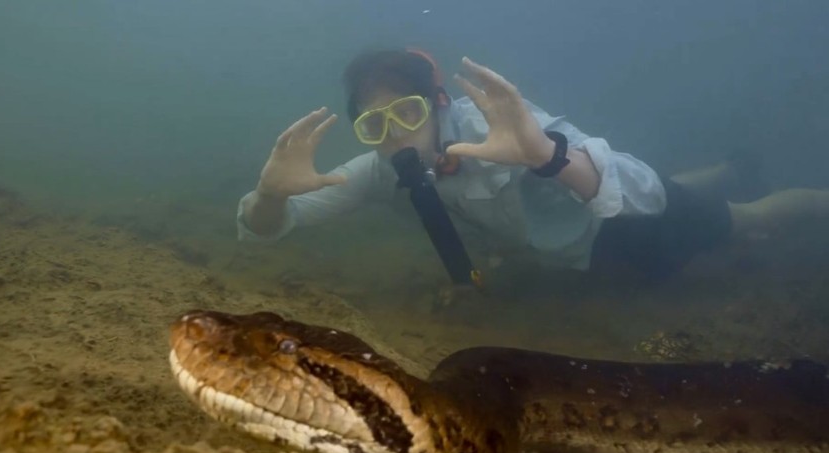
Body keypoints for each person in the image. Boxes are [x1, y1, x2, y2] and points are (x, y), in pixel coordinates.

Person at [236, 48, 829, 284]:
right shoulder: (381, 169)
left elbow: (626, 190)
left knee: (747, 221)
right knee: (685, 190)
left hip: (629, 225)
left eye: (407, 111)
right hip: (574, 258)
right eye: (373, 124)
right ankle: (727, 164)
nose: (394, 136)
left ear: (440, 104)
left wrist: (544, 156)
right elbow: (267, 229)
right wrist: (269, 194)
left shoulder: (498, 128)